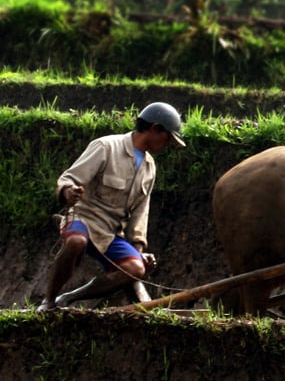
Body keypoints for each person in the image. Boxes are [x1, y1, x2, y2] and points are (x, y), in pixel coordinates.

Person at [38, 101, 186, 311]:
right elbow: (69, 178)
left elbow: (141, 212)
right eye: (167, 138)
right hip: (84, 218)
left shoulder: (149, 167)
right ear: (154, 129)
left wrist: (138, 251)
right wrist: (68, 191)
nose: (167, 144)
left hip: (111, 232)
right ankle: (49, 300)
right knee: (76, 243)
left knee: (135, 268)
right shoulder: (106, 147)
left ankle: (70, 297)